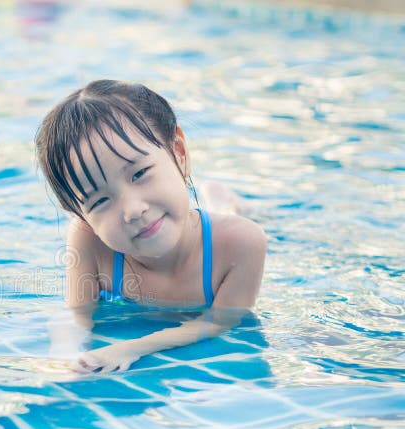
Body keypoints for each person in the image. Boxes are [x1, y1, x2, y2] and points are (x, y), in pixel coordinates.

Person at [35, 79, 266, 373]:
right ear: (81, 215)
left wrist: (131, 348)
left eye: (140, 173)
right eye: (99, 201)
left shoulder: (243, 244)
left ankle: (221, 201)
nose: (132, 210)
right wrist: (64, 359)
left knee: (227, 221)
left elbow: (220, 321)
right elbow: (77, 315)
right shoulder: (88, 239)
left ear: (179, 153)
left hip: (217, 238)